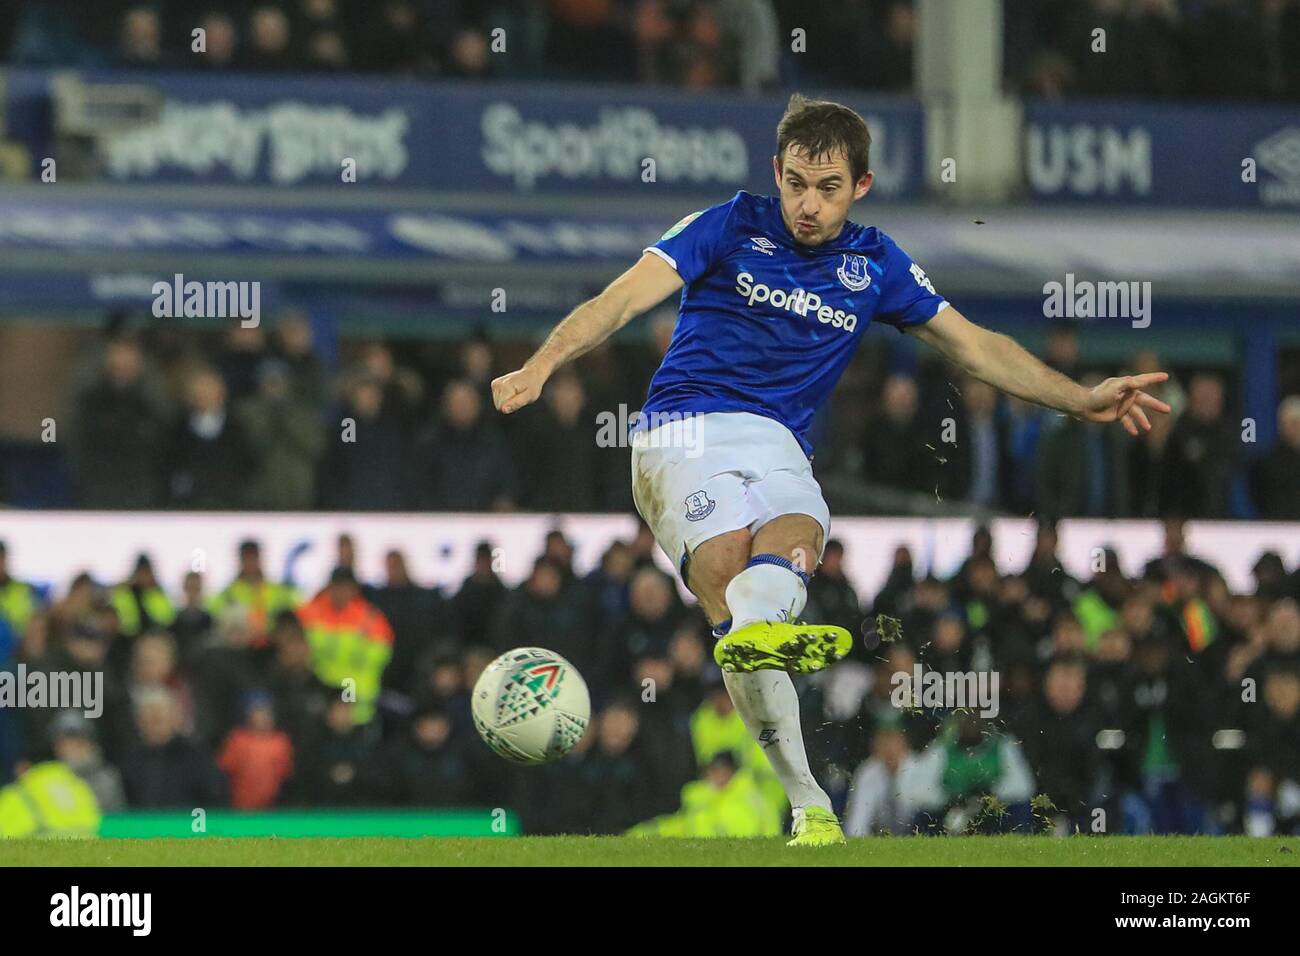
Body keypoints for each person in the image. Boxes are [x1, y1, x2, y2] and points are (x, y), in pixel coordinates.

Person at [491, 94, 1171, 846]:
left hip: (779, 441)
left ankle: (801, 776)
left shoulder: (874, 263)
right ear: (776, 173)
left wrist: (1080, 398)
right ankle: (785, 715)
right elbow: (622, 300)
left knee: (799, 531)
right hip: (683, 428)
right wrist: (543, 364)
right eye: (797, 185)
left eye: (829, 188)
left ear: (862, 187)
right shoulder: (728, 225)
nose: (808, 205)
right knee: (724, 566)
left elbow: (974, 345)